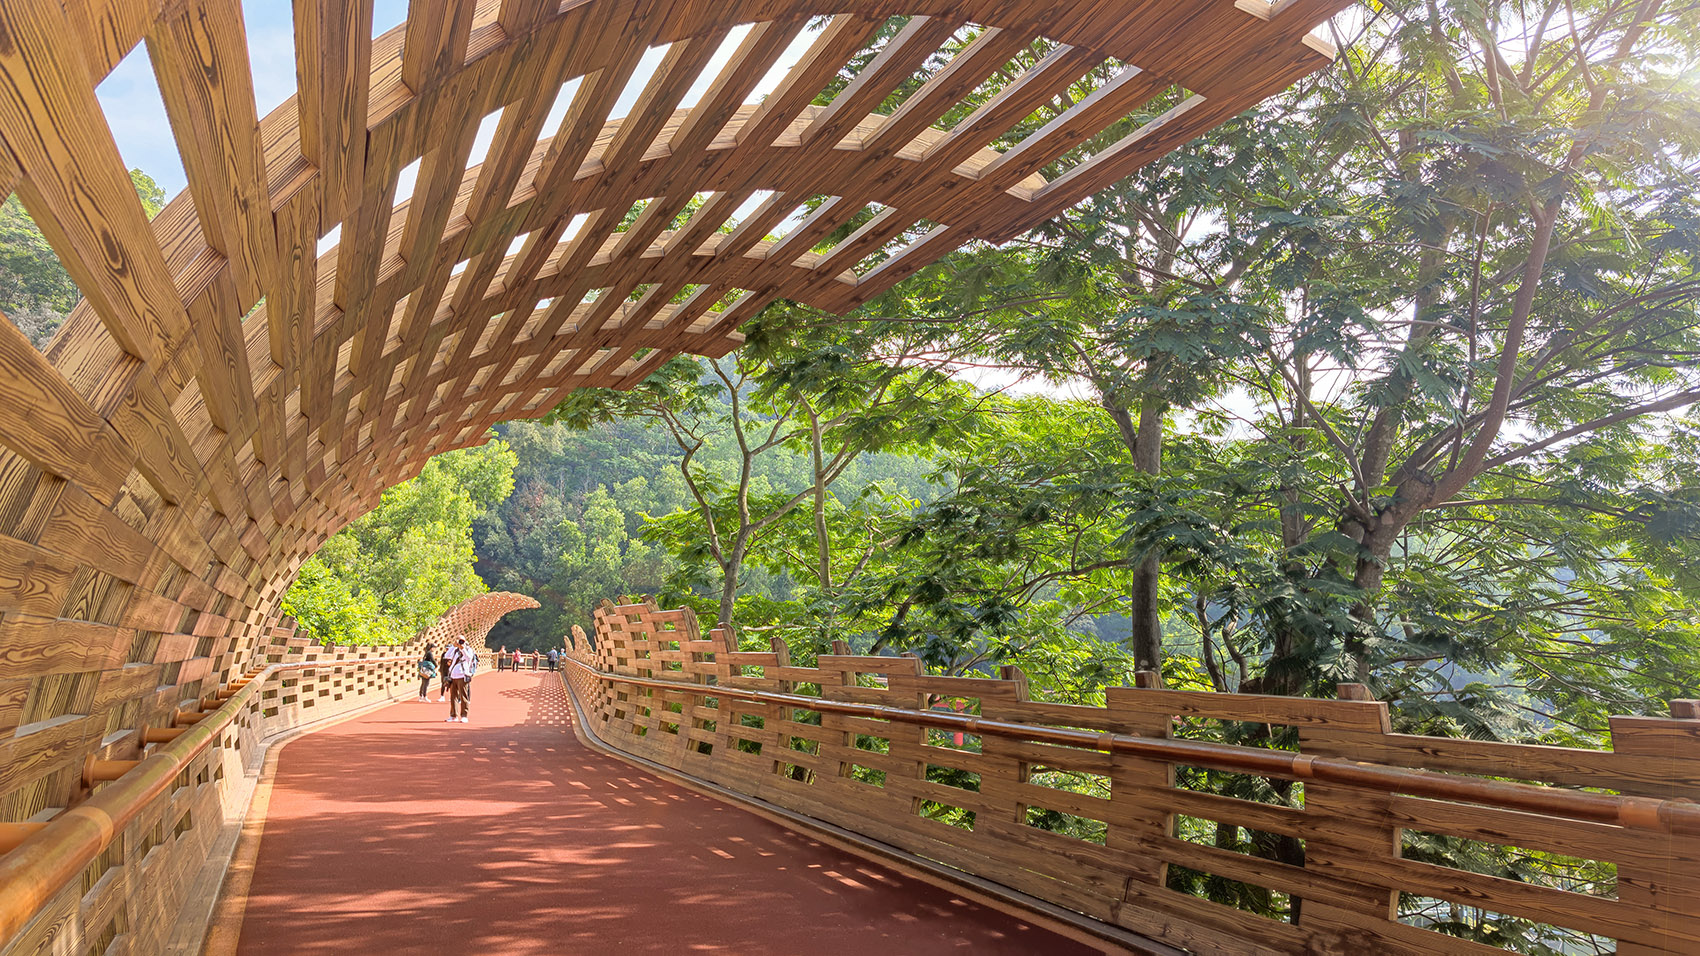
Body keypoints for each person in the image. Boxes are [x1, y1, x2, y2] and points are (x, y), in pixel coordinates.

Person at [444, 636, 475, 723]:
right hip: (453, 676)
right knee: (453, 696)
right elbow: (446, 656)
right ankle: (453, 715)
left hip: (462, 675)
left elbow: (469, 658)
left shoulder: (468, 649)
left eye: (461, 640)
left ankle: (464, 715)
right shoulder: (455, 650)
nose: (460, 642)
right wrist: (453, 646)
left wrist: (463, 648)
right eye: (458, 640)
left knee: (463, 696)